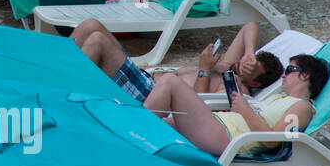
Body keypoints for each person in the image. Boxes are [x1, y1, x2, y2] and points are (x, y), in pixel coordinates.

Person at [145, 55, 328, 158]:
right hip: (216, 126)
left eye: (289, 71)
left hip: (224, 137)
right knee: (153, 128)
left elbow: (273, 140)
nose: (283, 76)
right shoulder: (279, 98)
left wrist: (244, 109)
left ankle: (126, 124)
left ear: (304, 75)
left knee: (170, 82)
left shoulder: (302, 108)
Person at [73, 18, 283, 101]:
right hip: (144, 78)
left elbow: (196, 107)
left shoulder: (237, 89)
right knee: (91, 25)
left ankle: (56, 91)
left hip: (146, 96)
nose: (246, 64)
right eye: (251, 60)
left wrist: (204, 70)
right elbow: (250, 25)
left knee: (97, 40)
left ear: (255, 83)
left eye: (251, 68)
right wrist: (249, 52)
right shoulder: (229, 66)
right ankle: (47, 71)